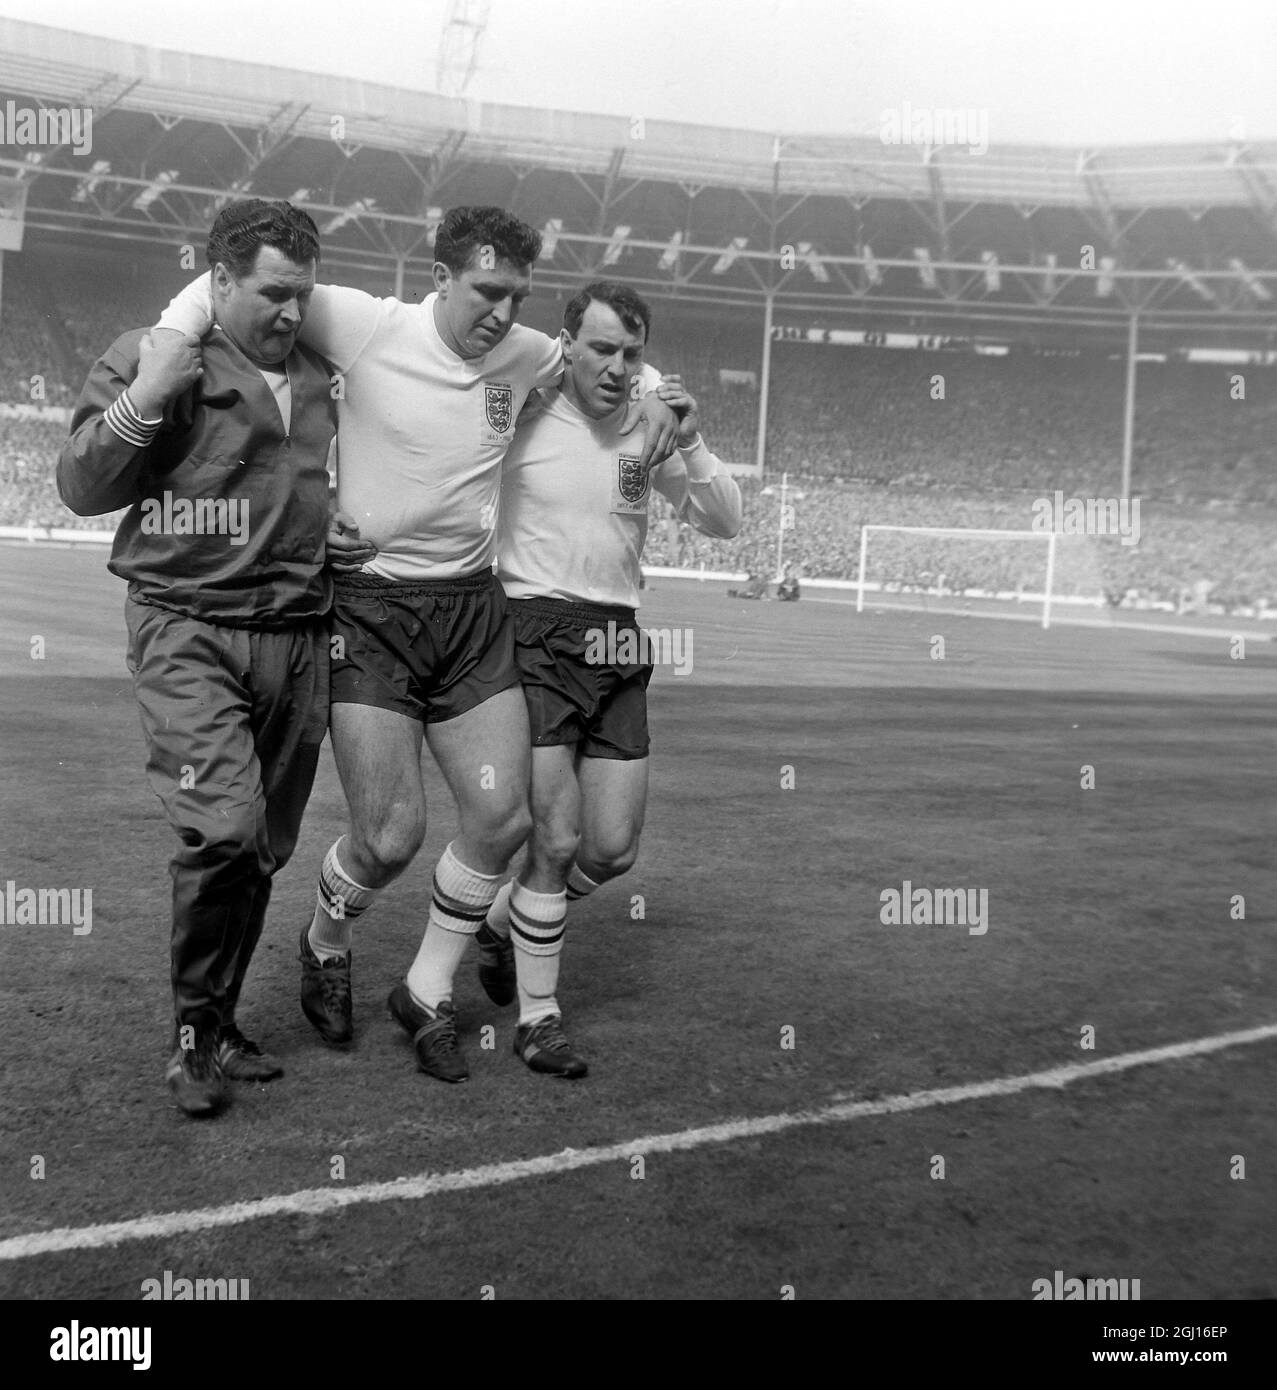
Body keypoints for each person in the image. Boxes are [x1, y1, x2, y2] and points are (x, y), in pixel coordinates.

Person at [156, 207, 680, 1085]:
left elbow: (604, 357)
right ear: (439, 277)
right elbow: (225, 291)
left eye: (515, 297)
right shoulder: (364, 323)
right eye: (484, 292)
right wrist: (170, 343)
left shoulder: (523, 354)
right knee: (391, 836)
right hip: (369, 609)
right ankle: (325, 939)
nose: (500, 314)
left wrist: (659, 390)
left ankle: (426, 989)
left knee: (503, 820)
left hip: (471, 612)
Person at [58, 200, 341, 1116]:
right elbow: (79, 484)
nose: (292, 313)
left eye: (303, 295)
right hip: (188, 625)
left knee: (259, 848)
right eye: (272, 293)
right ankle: (190, 1041)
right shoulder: (159, 352)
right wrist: (147, 396)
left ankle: (217, 1026)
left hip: (299, 637)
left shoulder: (325, 373)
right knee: (221, 827)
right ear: (218, 282)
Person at [475, 281, 742, 1076]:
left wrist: (690, 439)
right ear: (566, 344)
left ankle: (498, 924)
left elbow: (725, 520)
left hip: (614, 641)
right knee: (552, 840)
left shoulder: (650, 429)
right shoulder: (520, 408)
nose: (619, 367)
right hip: (530, 632)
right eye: (601, 348)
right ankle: (538, 1019)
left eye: (632, 353)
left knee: (614, 848)